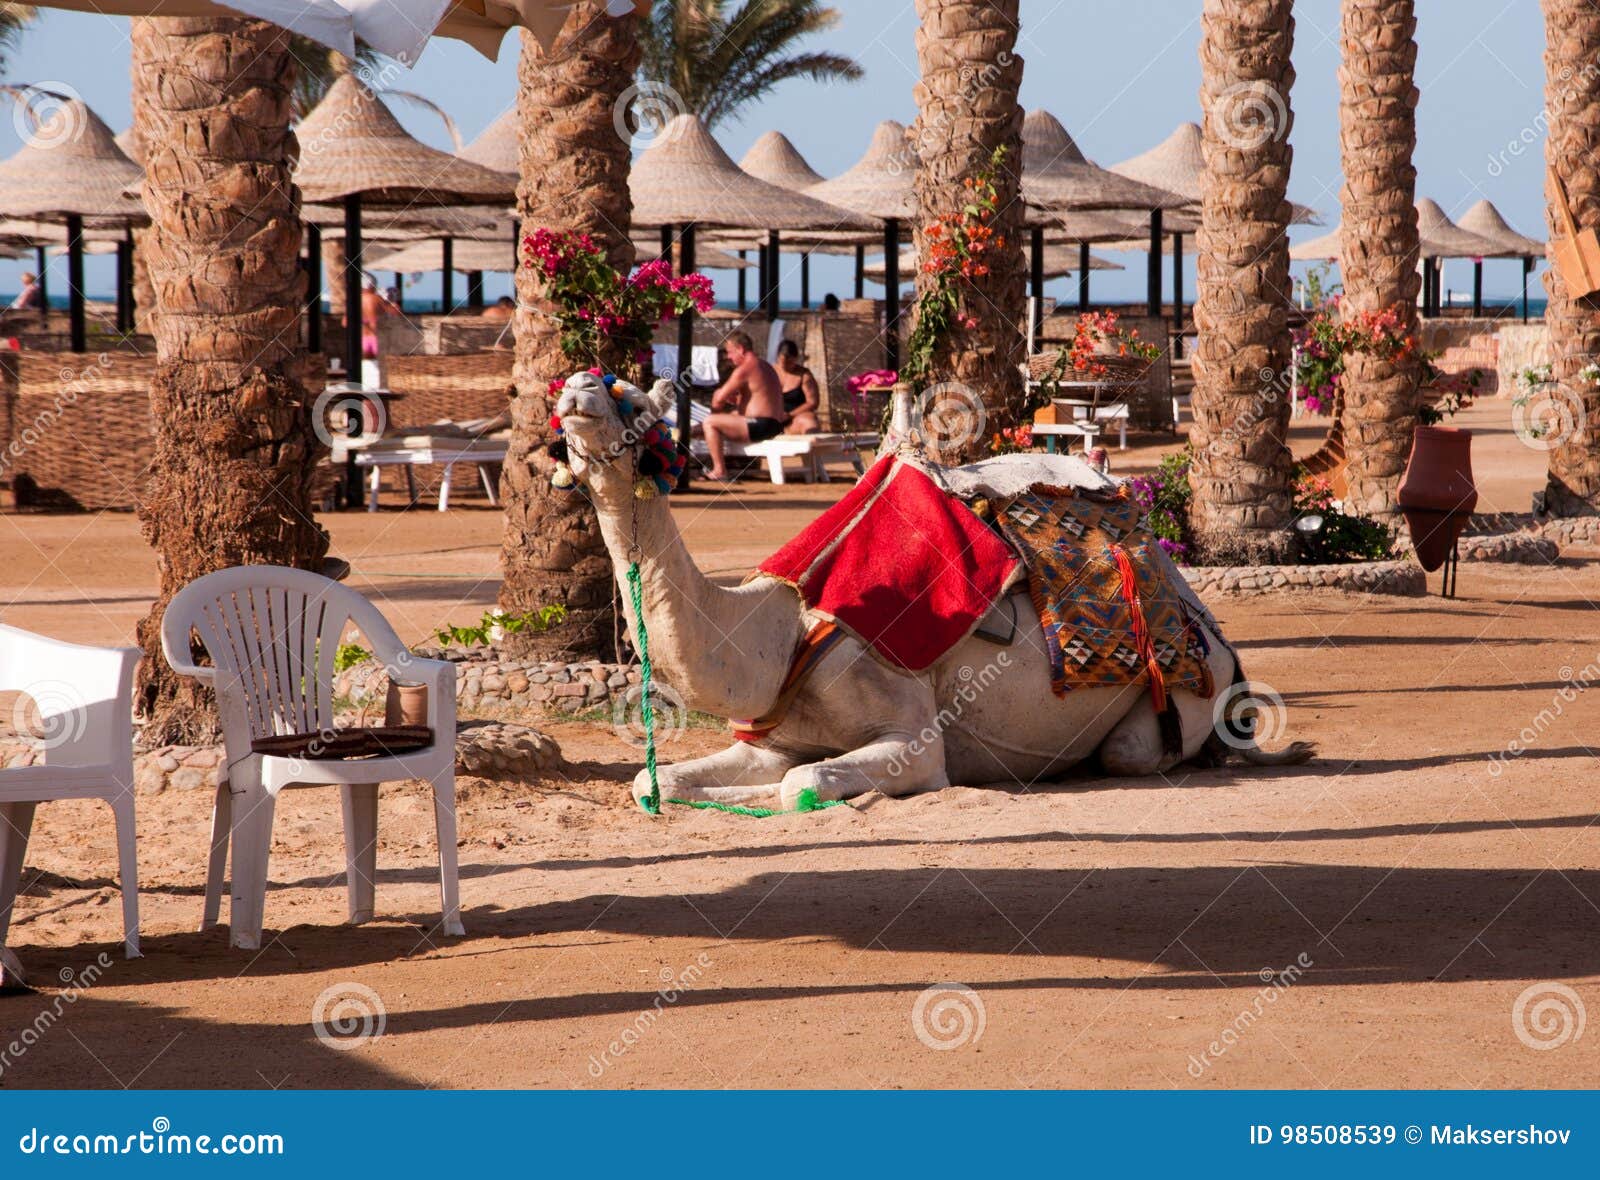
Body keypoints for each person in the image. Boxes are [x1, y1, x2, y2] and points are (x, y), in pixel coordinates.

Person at [697, 330, 785, 481]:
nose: (729, 357)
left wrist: (715, 414)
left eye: (730, 352)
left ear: (740, 349)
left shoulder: (745, 368)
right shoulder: (765, 366)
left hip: (761, 425)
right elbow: (759, 398)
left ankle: (719, 470)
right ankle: (700, 435)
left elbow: (718, 398)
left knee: (710, 422)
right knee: (723, 419)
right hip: (774, 424)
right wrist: (738, 402)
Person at [774, 339, 821, 434]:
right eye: (782, 362)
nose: (785, 366)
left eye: (789, 363)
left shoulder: (804, 375)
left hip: (795, 417)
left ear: (795, 359)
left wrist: (790, 415)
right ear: (778, 358)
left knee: (809, 421)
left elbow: (812, 402)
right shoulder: (769, 371)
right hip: (772, 417)